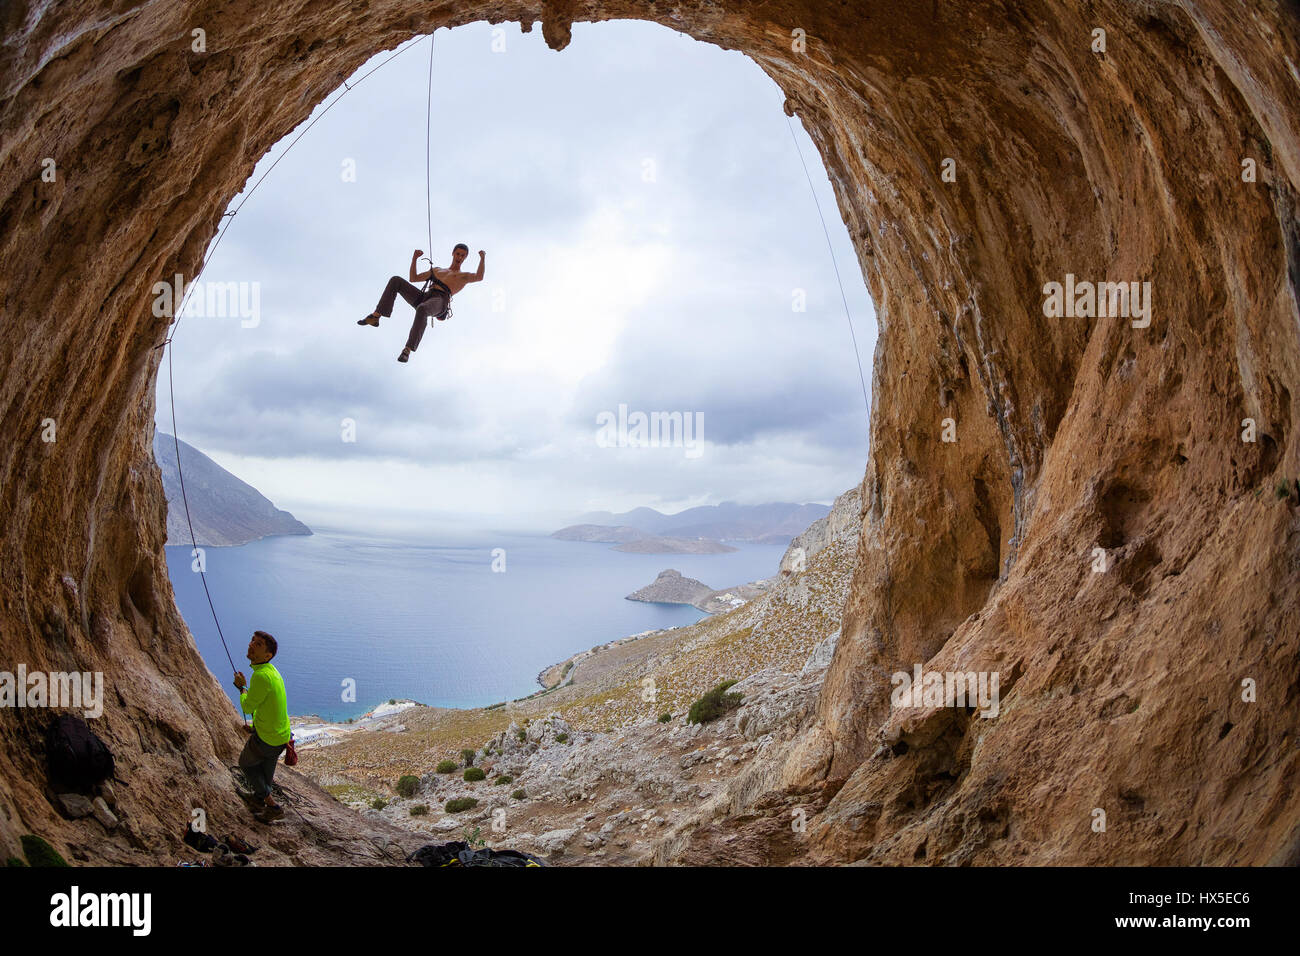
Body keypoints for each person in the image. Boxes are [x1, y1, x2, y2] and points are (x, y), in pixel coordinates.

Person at [358, 243, 485, 362]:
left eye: (463, 255)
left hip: (440, 301)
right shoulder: (437, 270)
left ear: (466, 258)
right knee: (396, 280)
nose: (459, 257)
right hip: (425, 296)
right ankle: (376, 316)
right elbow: (414, 278)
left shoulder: (463, 276)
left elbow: (479, 277)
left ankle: (407, 349)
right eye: (458, 254)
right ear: (453, 253)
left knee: (422, 309)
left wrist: (482, 258)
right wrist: (414, 259)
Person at [233, 630, 291, 822]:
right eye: (252, 640)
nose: (251, 645)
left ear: (268, 655)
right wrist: (255, 725)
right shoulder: (272, 672)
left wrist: (242, 688)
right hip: (281, 736)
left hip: (267, 738)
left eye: (258, 644)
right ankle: (258, 800)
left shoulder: (260, 677)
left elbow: (248, 705)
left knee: (245, 763)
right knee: (266, 773)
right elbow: (267, 706)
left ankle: (272, 805)